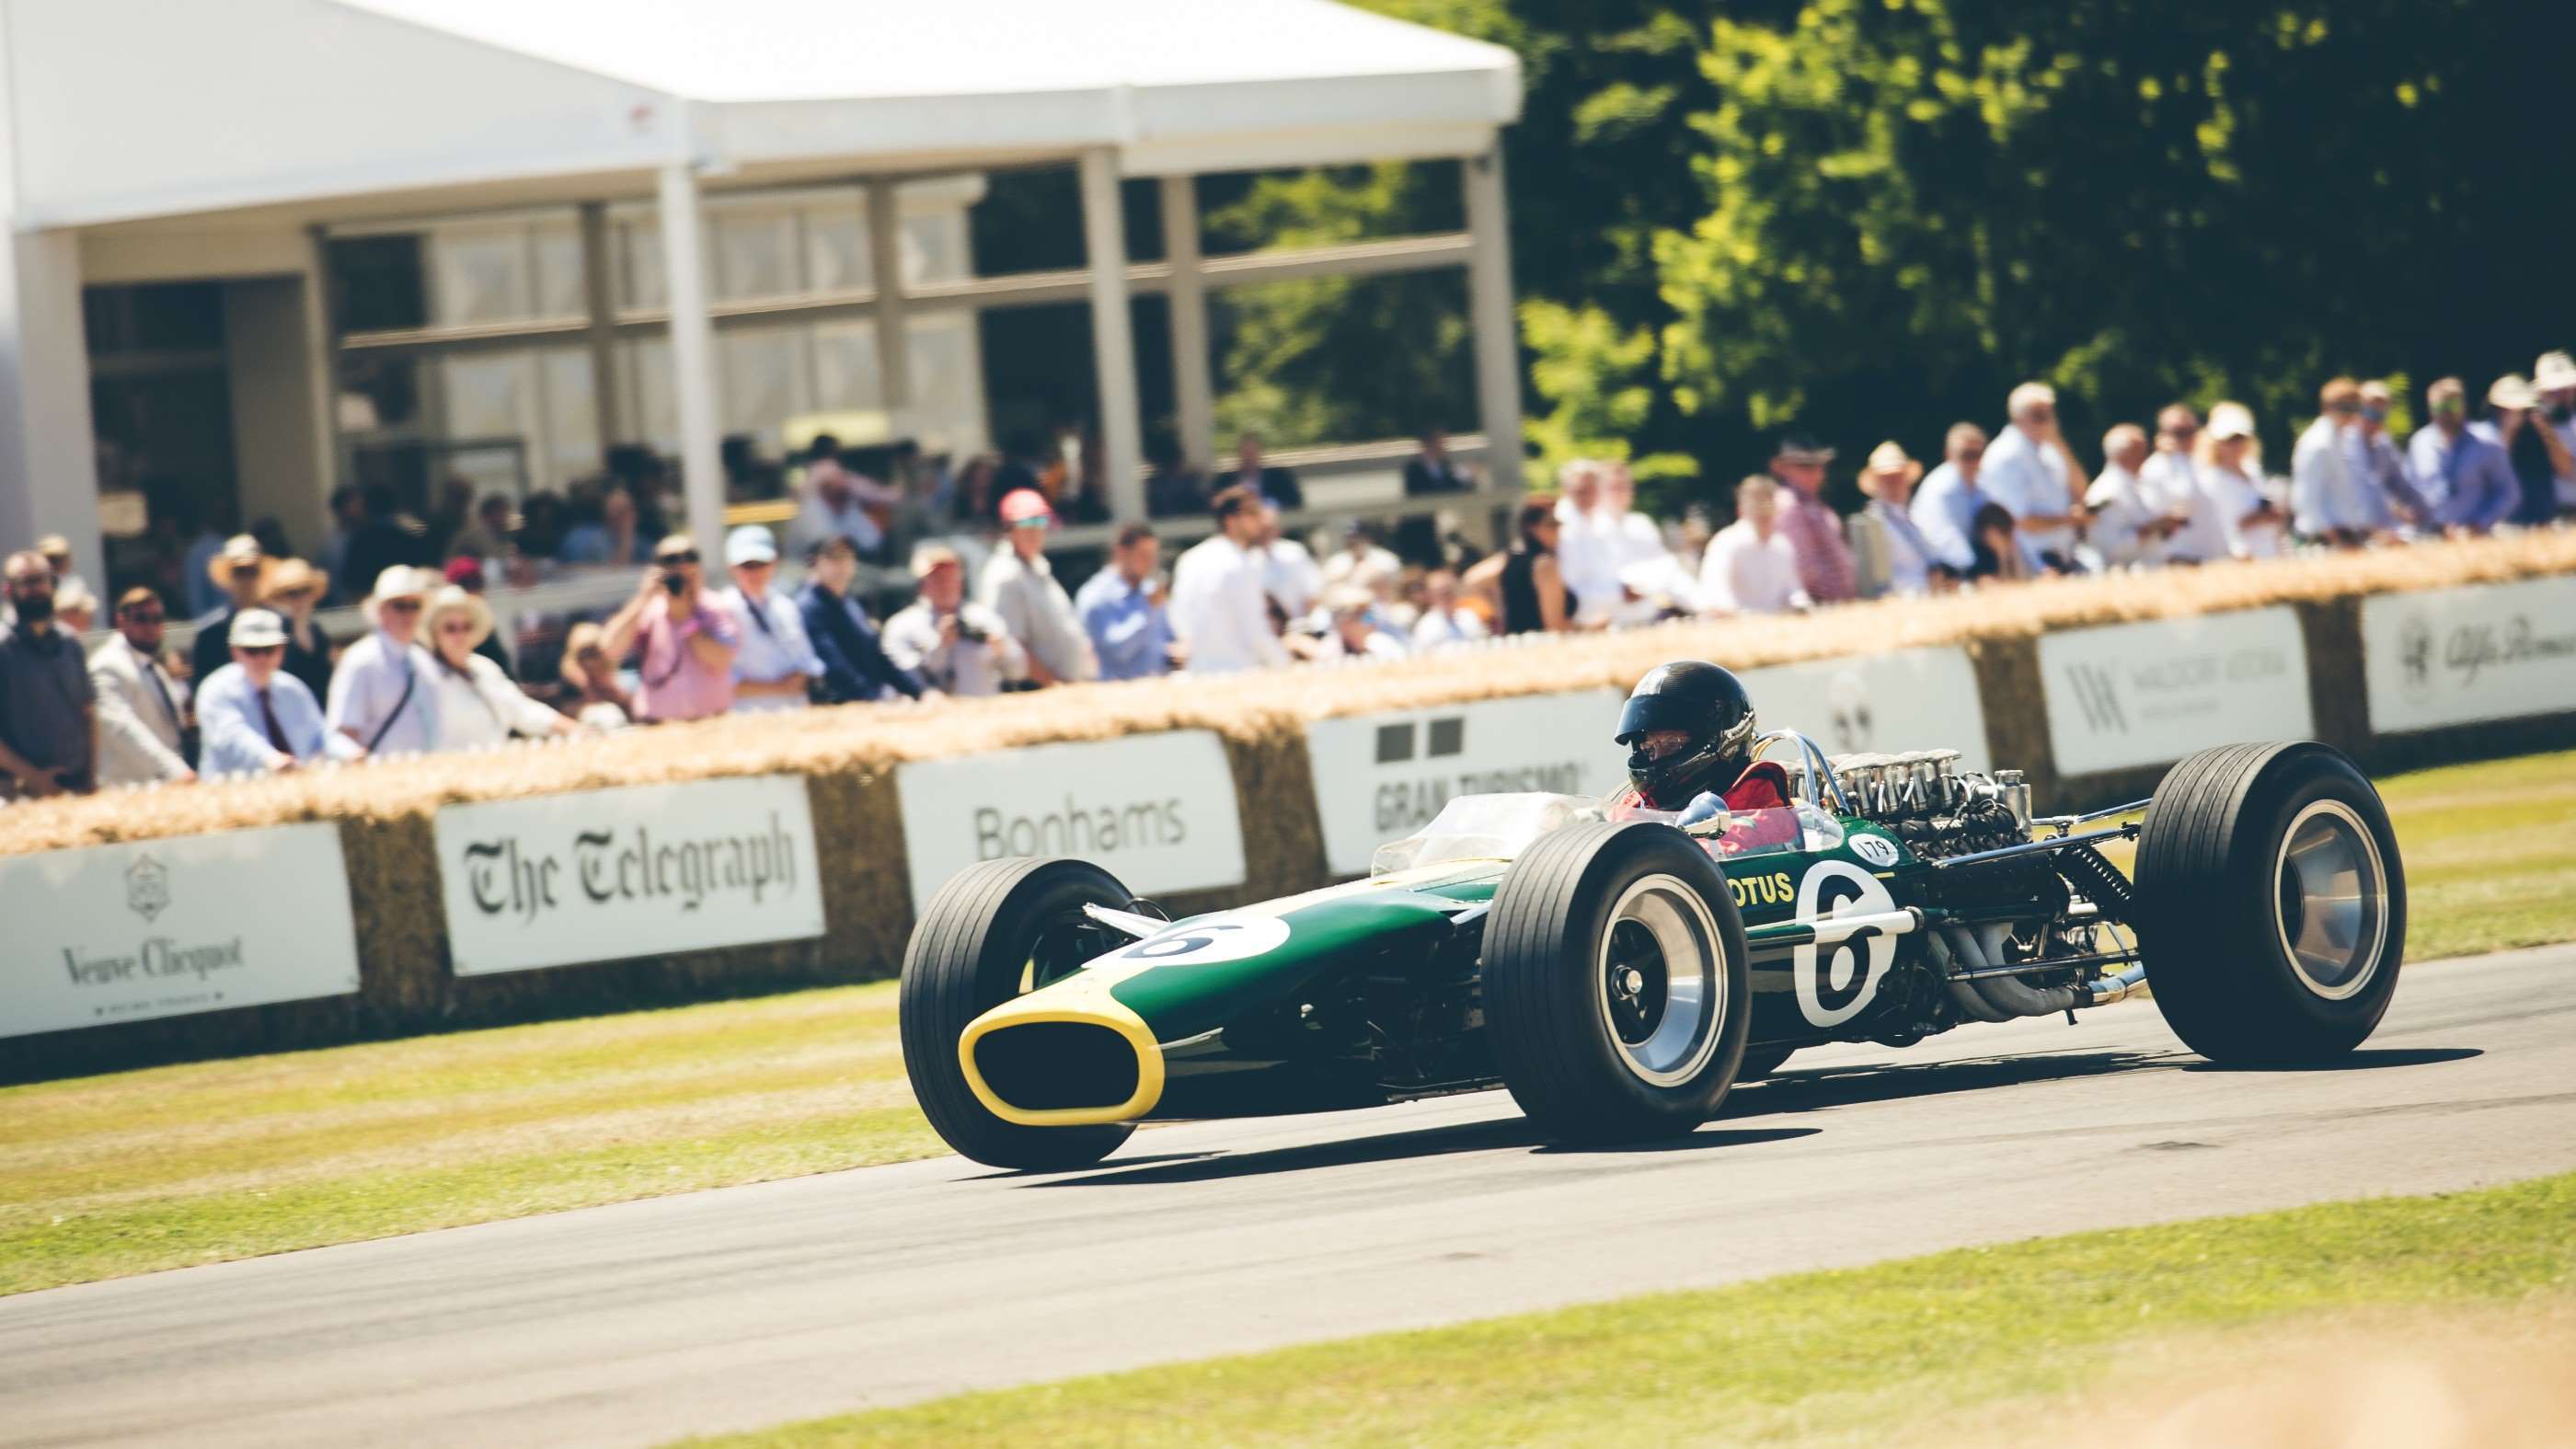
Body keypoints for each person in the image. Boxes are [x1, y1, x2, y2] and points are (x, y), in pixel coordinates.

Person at [1611, 661, 1792, 822]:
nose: (1657, 756)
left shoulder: (1755, 794)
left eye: (1672, 743)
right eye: (1648, 747)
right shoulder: (1636, 803)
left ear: (1716, 741)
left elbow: (1743, 840)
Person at [599, 535, 742, 723]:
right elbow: (608, 650)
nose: (682, 565)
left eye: (690, 557)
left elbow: (722, 659)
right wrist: (643, 598)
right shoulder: (647, 609)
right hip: (659, 724)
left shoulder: (717, 607)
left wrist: (687, 622)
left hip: (711, 722)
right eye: (671, 559)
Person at [420, 586, 577, 750]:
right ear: (435, 633)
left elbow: (520, 708)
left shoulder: (484, 668)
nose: (460, 635)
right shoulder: (426, 675)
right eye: (450, 628)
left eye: (466, 627)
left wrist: (574, 728)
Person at [0, 550, 97, 799]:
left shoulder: (70, 641)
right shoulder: (3, 647)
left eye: (43, 580)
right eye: (28, 583)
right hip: (18, 794)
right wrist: (34, 778)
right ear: (9, 591)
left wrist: (91, 776)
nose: (38, 589)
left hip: (77, 787)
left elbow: (89, 714)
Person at [978, 489, 1097, 686]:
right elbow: (1012, 647)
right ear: (1009, 528)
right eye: (1026, 523)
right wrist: (1054, 684)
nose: (1034, 530)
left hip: (1064, 690)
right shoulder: (1005, 575)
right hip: (1034, 694)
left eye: (1040, 522)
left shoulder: (1036, 566)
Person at [1169, 485, 1292, 673]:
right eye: (1253, 513)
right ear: (1231, 520)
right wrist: (1286, 665)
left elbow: (1179, 620)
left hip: (1197, 673)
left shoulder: (1189, 559)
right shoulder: (1240, 565)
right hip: (1239, 672)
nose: (1261, 520)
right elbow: (1255, 631)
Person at [796, 535, 927, 704]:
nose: (841, 564)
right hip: (839, 707)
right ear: (814, 562)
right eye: (833, 558)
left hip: (867, 700)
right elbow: (832, 664)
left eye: (846, 556)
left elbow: (877, 655)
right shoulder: (809, 606)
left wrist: (918, 691)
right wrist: (870, 699)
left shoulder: (850, 603)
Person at [196, 609, 328, 776]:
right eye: (251, 650)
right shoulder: (216, 689)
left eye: (269, 649)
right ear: (235, 651)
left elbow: (321, 734)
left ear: (281, 650)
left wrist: (351, 752)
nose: (261, 658)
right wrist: (270, 758)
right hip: (233, 794)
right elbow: (232, 735)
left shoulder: (293, 689)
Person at [326, 566, 441, 756]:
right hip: (381, 776)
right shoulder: (360, 660)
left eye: (415, 606)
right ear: (381, 611)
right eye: (400, 606)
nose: (408, 614)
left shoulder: (424, 660)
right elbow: (344, 731)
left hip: (427, 774)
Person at [883, 544, 1025, 697]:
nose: (946, 584)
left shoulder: (983, 617)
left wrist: (1000, 648)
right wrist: (941, 646)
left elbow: (1018, 671)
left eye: (952, 576)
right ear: (921, 584)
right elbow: (908, 680)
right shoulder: (902, 626)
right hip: (934, 716)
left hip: (983, 713)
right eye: (937, 578)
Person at [91, 586, 195, 787]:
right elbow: (122, 728)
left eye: (157, 619)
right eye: (141, 618)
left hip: (162, 787)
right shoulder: (107, 666)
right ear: (121, 621)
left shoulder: (151, 665)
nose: (151, 627)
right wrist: (175, 770)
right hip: (127, 791)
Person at [1979, 383, 2086, 571]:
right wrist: (2070, 519)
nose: (2048, 422)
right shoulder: (2007, 456)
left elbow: (2081, 490)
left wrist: (2058, 442)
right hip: (2031, 561)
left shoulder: (2049, 450)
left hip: (2062, 554)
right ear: (2018, 418)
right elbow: (2019, 520)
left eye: (2050, 415)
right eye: (2039, 416)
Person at [716, 525, 822, 713]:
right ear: (732, 568)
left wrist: (803, 678)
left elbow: (810, 662)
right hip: (748, 715)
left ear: (774, 563)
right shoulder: (722, 609)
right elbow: (721, 678)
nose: (755, 572)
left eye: (761, 564)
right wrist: (777, 688)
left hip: (794, 712)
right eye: (747, 566)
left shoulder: (786, 606)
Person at [2408, 376, 2519, 535]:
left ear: (2463, 406)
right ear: (2430, 409)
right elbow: (2409, 489)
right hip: (2430, 536)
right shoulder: (2419, 443)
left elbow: (2508, 492)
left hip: (2475, 537)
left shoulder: (2486, 442)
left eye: (2452, 406)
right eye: (2440, 407)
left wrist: (2480, 524)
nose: (2446, 413)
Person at [1075, 523, 1177, 682]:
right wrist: (1148, 610)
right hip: (1118, 698)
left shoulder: (1150, 590)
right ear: (1120, 552)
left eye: (1153, 555)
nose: (1150, 563)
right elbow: (1117, 651)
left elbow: (1167, 641)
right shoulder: (1096, 596)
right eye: (1143, 555)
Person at [1768, 432, 1858, 604]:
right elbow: (1805, 569)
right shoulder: (1790, 506)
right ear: (1783, 469)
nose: (1817, 473)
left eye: (1818, 466)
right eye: (1805, 467)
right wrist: (1835, 598)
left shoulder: (1814, 505)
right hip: (1823, 604)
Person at [1846, 442, 1945, 597]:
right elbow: (1878, 584)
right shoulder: (1872, 524)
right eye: (1887, 479)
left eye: (1898, 477)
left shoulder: (1915, 517)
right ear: (1876, 484)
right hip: (1907, 597)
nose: (1894, 484)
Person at [2475, 374, 2571, 526]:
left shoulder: (2543, 430)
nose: (2521, 414)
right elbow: (2492, 475)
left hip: (2545, 520)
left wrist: (2546, 430)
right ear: (2499, 409)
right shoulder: (2483, 435)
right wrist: (2510, 429)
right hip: (2507, 522)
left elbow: (2566, 469)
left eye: (2525, 409)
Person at [1698, 476, 1804, 615]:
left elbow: (1794, 592)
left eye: (1767, 500)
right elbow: (1715, 593)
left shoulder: (1782, 545)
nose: (1762, 509)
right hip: (1737, 625)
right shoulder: (1726, 542)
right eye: (1756, 502)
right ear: (1740, 509)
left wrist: (1802, 607)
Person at [2291, 378, 2376, 546]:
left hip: (2344, 534)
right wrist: (2335, 539)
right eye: (2345, 408)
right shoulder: (2317, 444)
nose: (2351, 415)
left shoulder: (2342, 440)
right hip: (2322, 539)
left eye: (2356, 408)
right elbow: (2306, 499)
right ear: (2326, 408)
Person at [1476, 494, 1574, 635]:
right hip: (1541, 646)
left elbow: (1471, 580)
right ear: (1532, 527)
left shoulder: (1509, 559)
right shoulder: (1545, 564)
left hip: (1517, 643)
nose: (1558, 530)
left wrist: (1498, 610)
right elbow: (1555, 626)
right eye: (1552, 524)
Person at [2197, 403, 2286, 558]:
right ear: (2216, 442)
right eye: (2229, 440)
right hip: (2238, 559)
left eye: (2240, 439)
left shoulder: (2253, 471)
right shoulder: (2211, 479)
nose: (2235, 445)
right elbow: (2218, 526)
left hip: (2267, 554)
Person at [2082, 424, 2174, 569]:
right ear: (2122, 455)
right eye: (2139, 451)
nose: (2144, 457)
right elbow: (2110, 547)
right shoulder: (2105, 492)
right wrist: (2152, 528)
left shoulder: (2138, 484)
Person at [191, 534, 273, 684]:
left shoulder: (281, 626)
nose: (247, 580)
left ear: (261, 576)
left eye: (253, 571)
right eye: (240, 572)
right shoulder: (210, 635)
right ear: (229, 578)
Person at [1910, 423, 1989, 576]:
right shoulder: (1940, 489)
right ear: (1949, 456)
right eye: (1966, 455)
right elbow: (1946, 539)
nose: (1973, 461)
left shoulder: (1982, 486)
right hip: (1940, 568)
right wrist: (1978, 571)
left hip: (1967, 560)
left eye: (1977, 455)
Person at [1549, 460, 1622, 622]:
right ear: (1567, 490)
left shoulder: (1603, 520)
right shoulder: (1559, 523)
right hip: (1580, 604)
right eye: (1581, 491)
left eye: (1592, 490)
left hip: (1609, 597)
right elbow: (1570, 581)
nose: (1588, 496)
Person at [2353, 380, 2431, 533]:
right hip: (2356, 526)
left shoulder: (2384, 444)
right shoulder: (2346, 444)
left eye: (2382, 415)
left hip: (2385, 525)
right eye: (2371, 414)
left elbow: (2403, 484)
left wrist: (2425, 511)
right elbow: (2367, 489)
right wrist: (2397, 510)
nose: (2376, 421)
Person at [261, 558, 335, 703]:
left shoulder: (317, 631)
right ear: (279, 599)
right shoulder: (274, 634)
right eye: (292, 593)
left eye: (305, 591)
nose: (300, 599)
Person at [339, 485, 431, 595]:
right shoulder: (407, 534)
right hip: (405, 596)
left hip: (372, 596)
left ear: (367, 507)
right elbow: (422, 567)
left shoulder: (361, 538)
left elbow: (352, 580)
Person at [440, 557, 517, 679]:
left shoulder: (487, 634)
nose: (472, 590)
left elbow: (506, 676)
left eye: (476, 582)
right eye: (451, 628)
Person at [557, 622, 637, 729]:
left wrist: (613, 690)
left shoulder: (626, 680)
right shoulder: (569, 688)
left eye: (593, 653)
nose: (590, 662)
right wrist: (586, 688)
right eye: (583, 655)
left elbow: (639, 712)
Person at [560, 483, 650, 567]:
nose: (628, 516)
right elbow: (614, 573)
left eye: (629, 510)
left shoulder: (641, 543)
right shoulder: (581, 539)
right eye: (619, 510)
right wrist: (626, 537)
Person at [1317, 585, 1408, 661]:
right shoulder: (1330, 651)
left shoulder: (1382, 644)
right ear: (1345, 623)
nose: (1373, 621)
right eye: (1366, 616)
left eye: (1371, 614)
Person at [1216, 431, 1302, 512]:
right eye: (1245, 453)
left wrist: (1263, 505)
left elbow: (1295, 504)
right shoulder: (1225, 481)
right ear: (1238, 454)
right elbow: (1214, 509)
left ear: (1260, 453)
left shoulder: (1280, 477)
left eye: (1253, 452)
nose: (1249, 457)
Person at [1409, 569, 1488, 651]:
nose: (1446, 596)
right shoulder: (1426, 626)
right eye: (1441, 593)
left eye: (1449, 591)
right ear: (1430, 595)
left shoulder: (1469, 616)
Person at [2537, 351, 2576, 514]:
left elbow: (2568, 470)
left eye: (2566, 389)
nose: (2561, 396)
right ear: (2541, 394)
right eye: (2553, 391)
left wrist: (2546, 430)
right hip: (2539, 517)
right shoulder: (2526, 429)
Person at [1320, 520, 1401, 592]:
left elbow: (1395, 584)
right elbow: (1327, 585)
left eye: (1359, 538)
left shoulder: (1385, 558)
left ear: (1368, 538)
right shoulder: (1336, 561)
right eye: (1350, 538)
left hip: (1378, 604)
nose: (1355, 542)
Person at [444, 494, 519, 563]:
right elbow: (494, 559)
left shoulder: (497, 533)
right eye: (503, 511)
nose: (506, 516)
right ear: (491, 513)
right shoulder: (477, 534)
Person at [319, 486, 363, 599]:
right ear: (341, 509)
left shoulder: (364, 536)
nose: (360, 509)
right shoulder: (334, 545)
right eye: (355, 505)